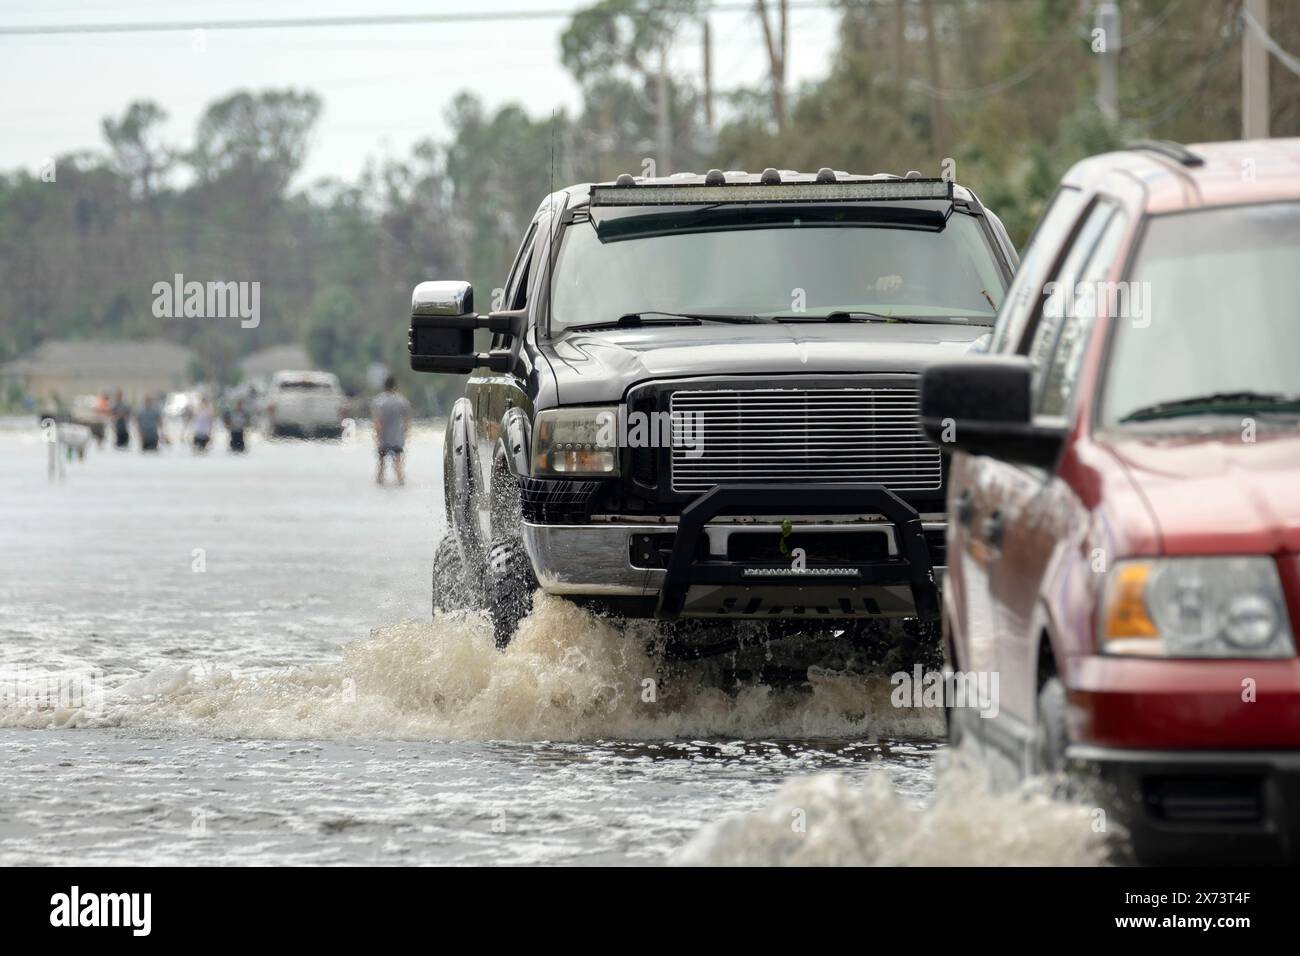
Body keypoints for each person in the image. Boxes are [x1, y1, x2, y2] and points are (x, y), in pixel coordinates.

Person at [372, 375, 411, 486]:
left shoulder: (379, 401)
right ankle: (400, 482)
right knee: (398, 463)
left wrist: (377, 437)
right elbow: (407, 421)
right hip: (397, 438)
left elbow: (377, 422)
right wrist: (404, 434)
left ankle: (380, 483)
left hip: (384, 438)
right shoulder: (402, 401)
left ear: (384, 386)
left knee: (381, 464)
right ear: (395, 386)